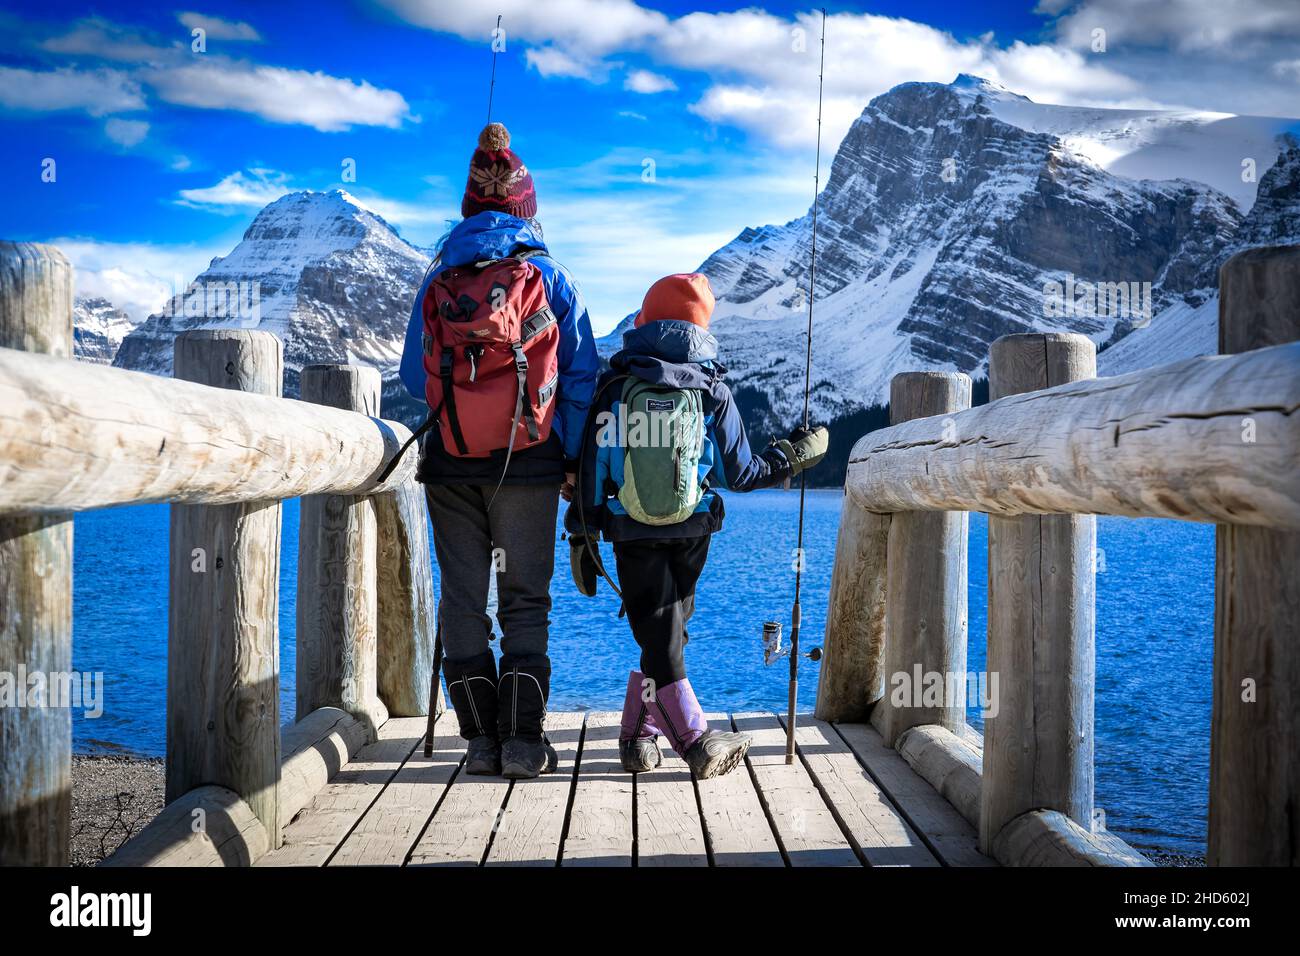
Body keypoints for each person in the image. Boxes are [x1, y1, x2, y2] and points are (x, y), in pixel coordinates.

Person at [565, 273, 828, 778]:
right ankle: (696, 741)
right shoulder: (713, 391)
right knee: (667, 633)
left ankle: (636, 734)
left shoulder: (616, 388)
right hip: (693, 531)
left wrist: (583, 532)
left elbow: (592, 468)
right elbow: (742, 474)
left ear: (644, 320)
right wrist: (794, 454)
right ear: (701, 327)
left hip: (630, 531)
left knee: (663, 635)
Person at [399, 122, 598, 779]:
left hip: (451, 467)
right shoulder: (550, 277)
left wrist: (460, 404)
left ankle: (479, 742)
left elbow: (410, 376)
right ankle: (521, 742)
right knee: (524, 601)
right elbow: (580, 379)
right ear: (525, 206)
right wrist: (568, 459)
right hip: (530, 466)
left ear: (468, 206)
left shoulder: (438, 283)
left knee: (462, 601)